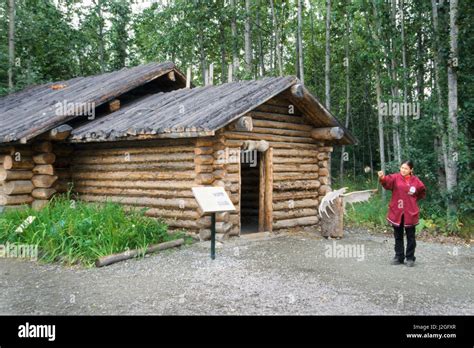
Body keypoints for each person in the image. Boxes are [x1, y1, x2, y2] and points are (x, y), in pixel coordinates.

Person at [378, 161, 426, 267]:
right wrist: (382, 177)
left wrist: (412, 200)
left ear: (411, 170)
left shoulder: (416, 181)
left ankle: (410, 258)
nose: (403, 170)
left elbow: (422, 192)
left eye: (406, 168)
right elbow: (386, 183)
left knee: (411, 236)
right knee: (398, 236)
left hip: (410, 212)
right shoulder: (395, 178)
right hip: (397, 211)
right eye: (402, 168)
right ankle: (399, 257)